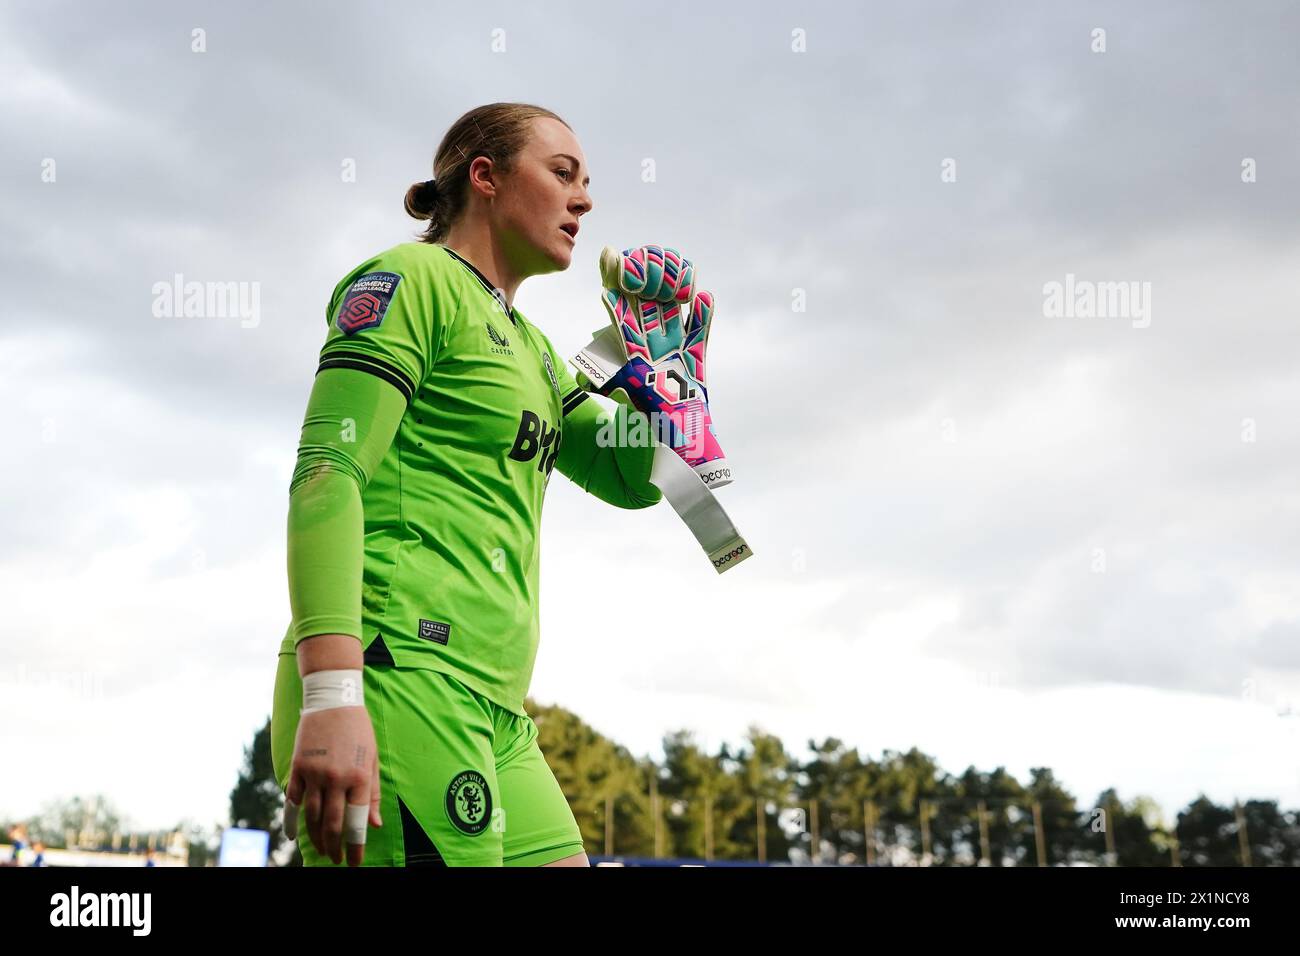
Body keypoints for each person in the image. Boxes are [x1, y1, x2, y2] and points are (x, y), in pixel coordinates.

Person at [270, 103, 663, 867]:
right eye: (562, 174)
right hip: (395, 675)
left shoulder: (541, 353)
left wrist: (671, 390)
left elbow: (631, 478)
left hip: (499, 710)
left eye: (587, 183)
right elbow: (327, 473)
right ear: (485, 177)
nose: (584, 200)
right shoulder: (410, 279)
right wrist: (332, 695)